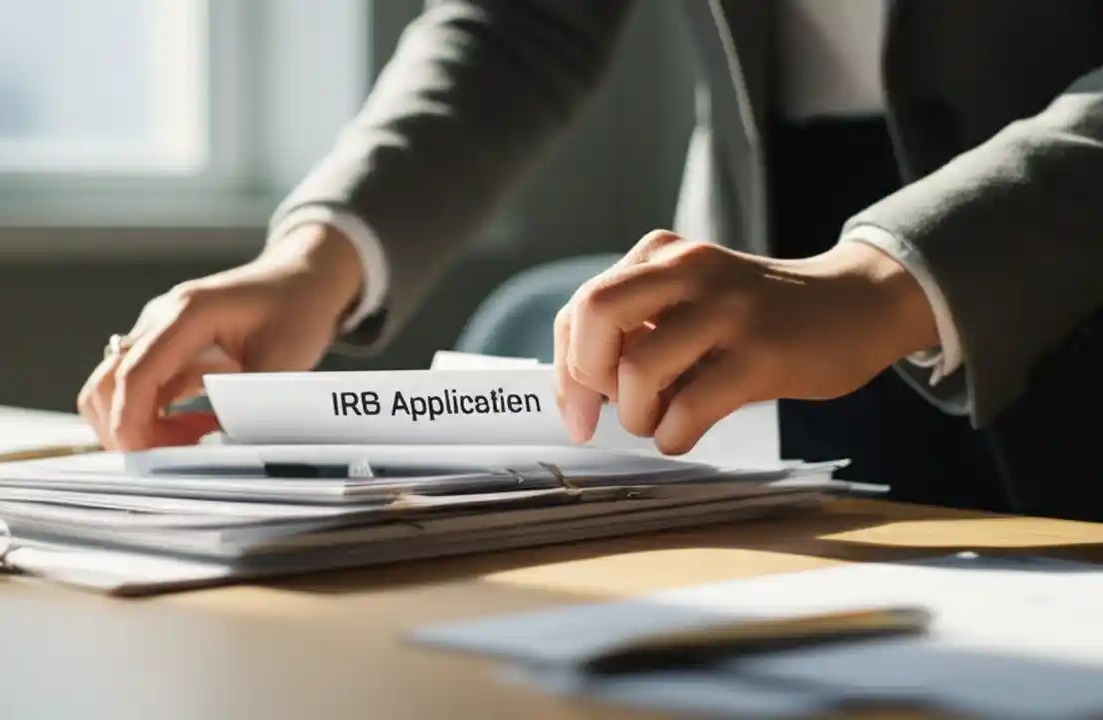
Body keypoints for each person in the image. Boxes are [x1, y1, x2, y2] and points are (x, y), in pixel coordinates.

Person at [78, 1, 1103, 516]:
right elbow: (522, 21)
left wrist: (887, 276)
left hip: (1050, 252)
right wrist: (320, 255)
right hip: (754, 261)